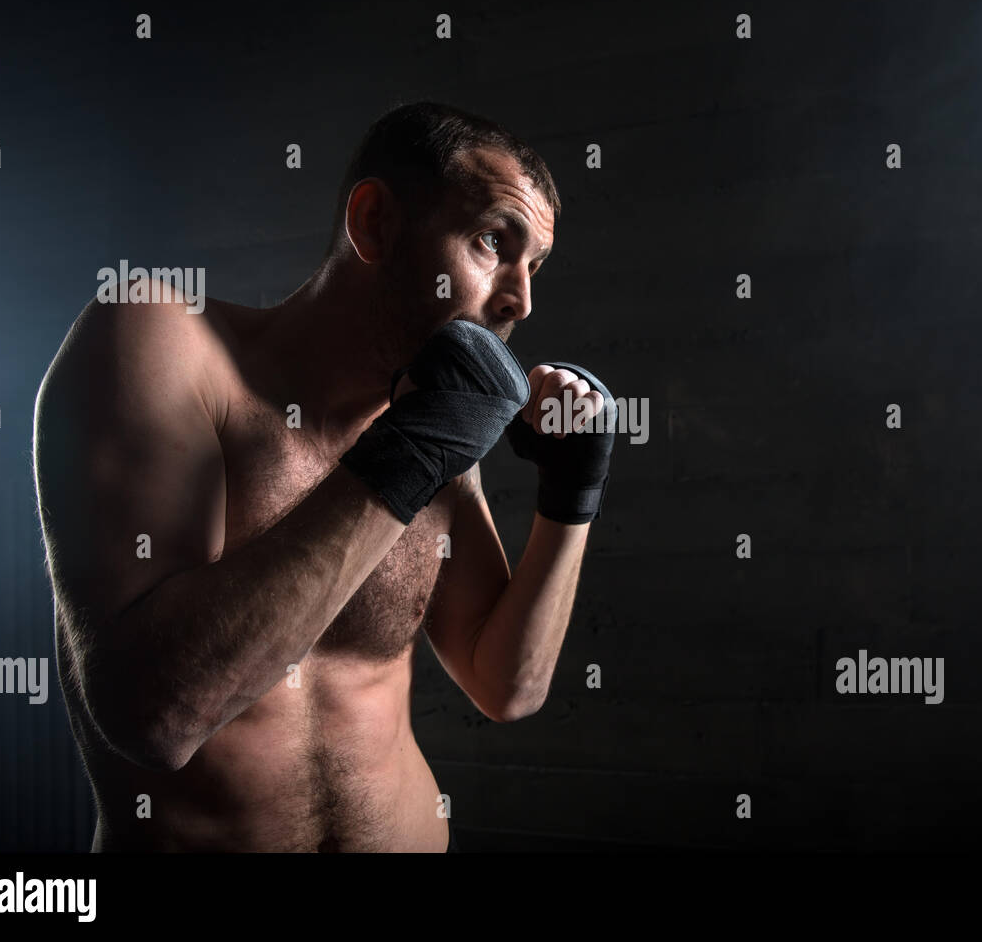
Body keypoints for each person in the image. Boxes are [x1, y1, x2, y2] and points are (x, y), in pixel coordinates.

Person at [32, 101, 616, 852]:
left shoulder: (431, 427)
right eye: (489, 244)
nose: (520, 299)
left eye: (532, 267)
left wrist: (571, 497)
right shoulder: (168, 346)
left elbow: (506, 685)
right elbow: (157, 717)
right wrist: (415, 452)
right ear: (374, 223)